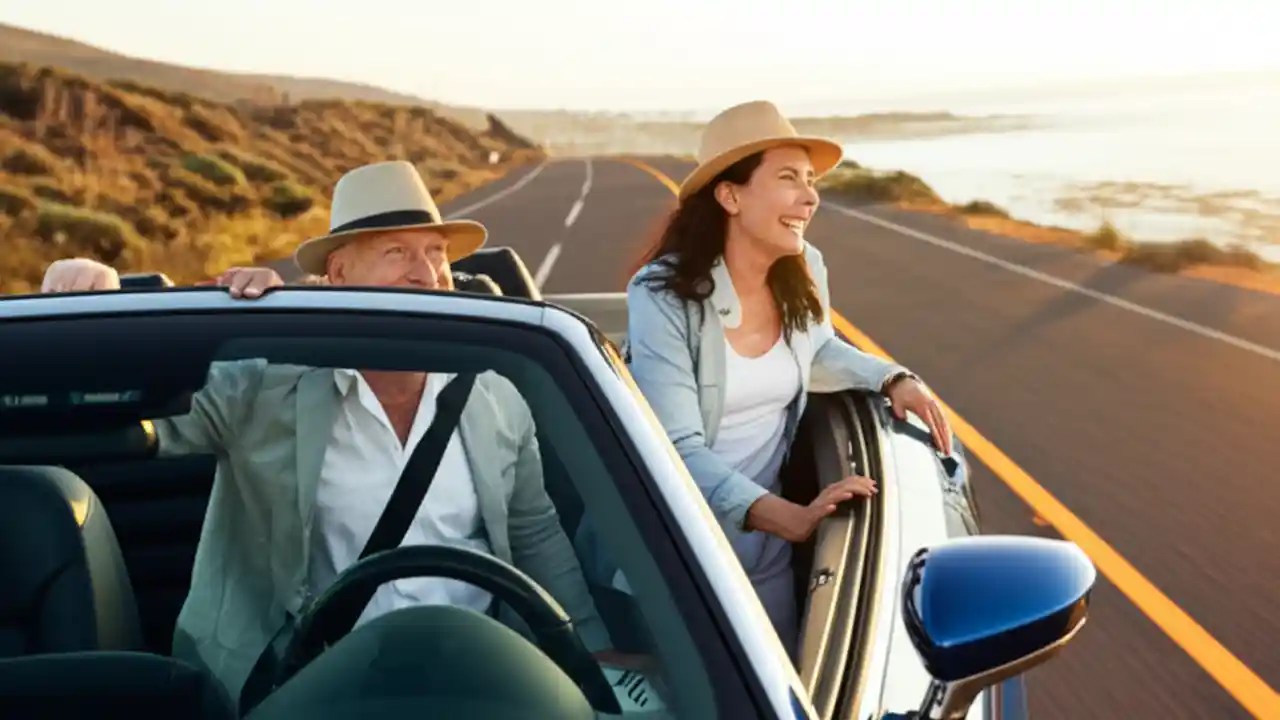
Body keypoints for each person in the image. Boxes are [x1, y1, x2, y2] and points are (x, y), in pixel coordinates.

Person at [41, 160, 629, 700]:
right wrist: (96, 289)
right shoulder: (266, 385)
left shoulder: (496, 392)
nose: (428, 275)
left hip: (475, 673)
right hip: (314, 679)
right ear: (340, 271)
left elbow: (535, 537)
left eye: (436, 253)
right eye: (398, 252)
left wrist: (593, 658)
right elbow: (144, 413)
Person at [623, 100, 952, 655]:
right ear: (730, 196)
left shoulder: (803, 267)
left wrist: (892, 378)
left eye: (809, 180)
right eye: (787, 179)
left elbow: (816, 350)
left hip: (765, 557)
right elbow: (674, 449)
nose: (810, 196)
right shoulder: (660, 295)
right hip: (672, 558)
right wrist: (789, 519)